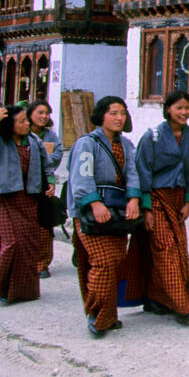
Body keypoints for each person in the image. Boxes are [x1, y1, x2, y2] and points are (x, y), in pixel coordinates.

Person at [67, 96, 141, 337]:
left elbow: (133, 173)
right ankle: (97, 316)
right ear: (101, 116)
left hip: (117, 213)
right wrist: (95, 202)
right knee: (103, 262)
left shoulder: (127, 145)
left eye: (122, 113)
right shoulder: (87, 144)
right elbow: (81, 177)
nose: (119, 118)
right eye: (113, 113)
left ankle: (107, 315)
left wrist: (133, 199)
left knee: (115, 262)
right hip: (92, 213)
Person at [0, 105, 55, 303]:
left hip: (28, 200)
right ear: (10, 125)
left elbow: (46, 165)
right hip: (2, 200)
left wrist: (50, 183)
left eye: (26, 120)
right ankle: (1, 284)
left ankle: (23, 291)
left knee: (28, 246)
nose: (27, 124)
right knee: (11, 243)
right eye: (22, 121)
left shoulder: (33, 141)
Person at [135, 90, 189, 324]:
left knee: (178, 249)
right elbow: (142, 171)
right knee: (165, 249)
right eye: (179, 108)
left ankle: (157, 297)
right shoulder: (152, 136)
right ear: (168, 110)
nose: (184, 112)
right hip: (155, 197)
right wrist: (146, 208)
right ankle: (181, 304)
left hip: (177, 198)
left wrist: (188, 201)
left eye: (187, 108)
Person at [26, 99, 63, 278]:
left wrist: (49, 181)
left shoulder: (50, 136)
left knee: (44, 225)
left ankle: (42, 264)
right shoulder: (22, 133)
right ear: (29, 114)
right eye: (40, 112)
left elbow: (55, 157)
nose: (44, 116)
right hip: (24, 185)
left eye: (46, 113)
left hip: (45, 183)